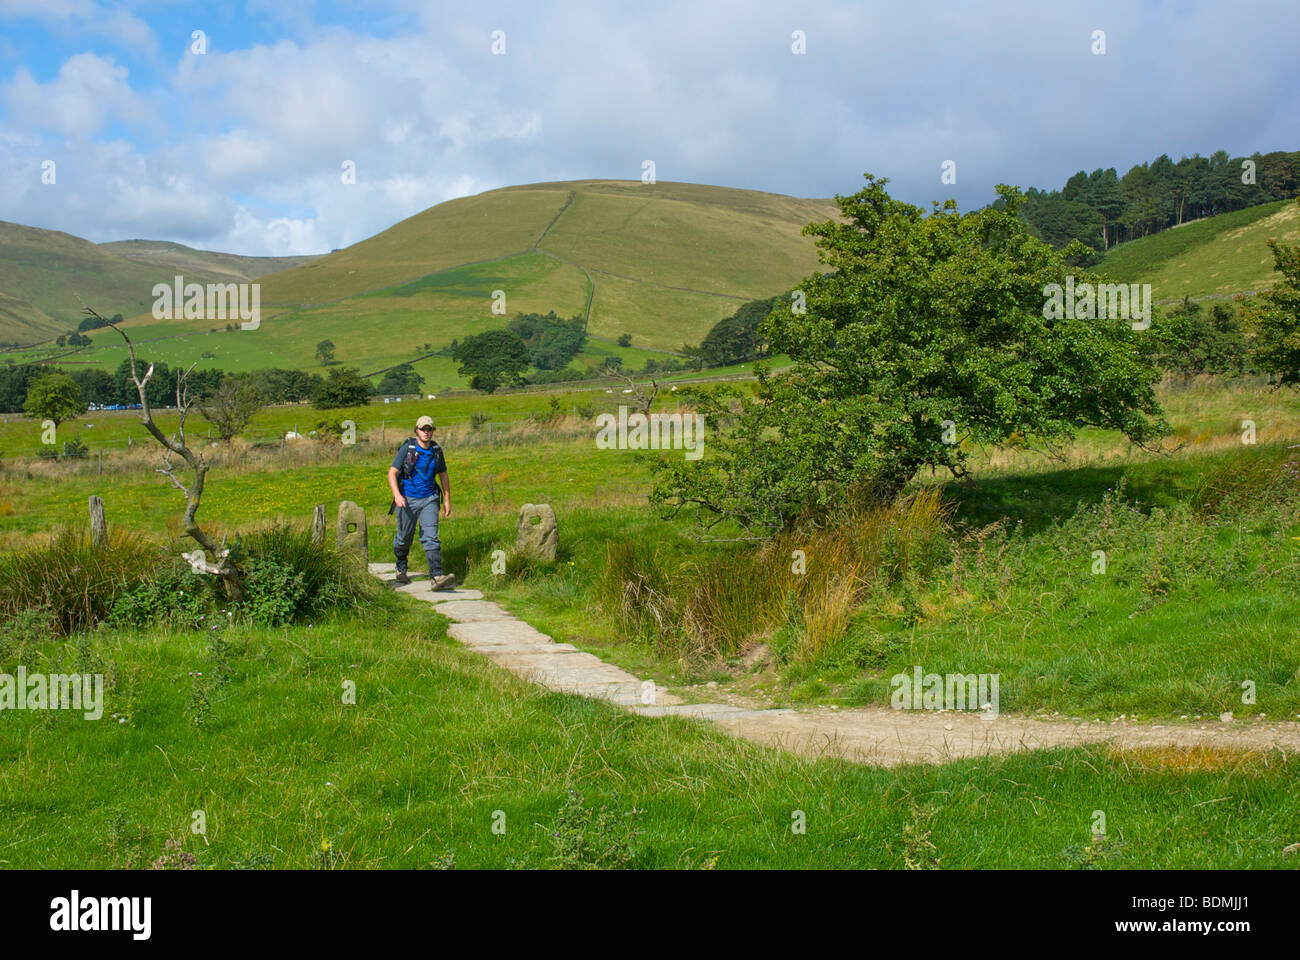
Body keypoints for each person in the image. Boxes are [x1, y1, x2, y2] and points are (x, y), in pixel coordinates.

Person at [388, 415, 455, 590]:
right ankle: (401, 565)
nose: (426, 432)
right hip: (407, 500)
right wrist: (397, 495)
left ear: (433, 431)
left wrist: (447, 500)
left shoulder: (436, 451)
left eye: (429, 429)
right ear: (416, 430)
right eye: (423, 429)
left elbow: (443, 476)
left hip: (429, 499)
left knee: (431, 537)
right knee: (404, 538)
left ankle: (436, 576)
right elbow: (392, 472)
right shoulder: (407, 448)